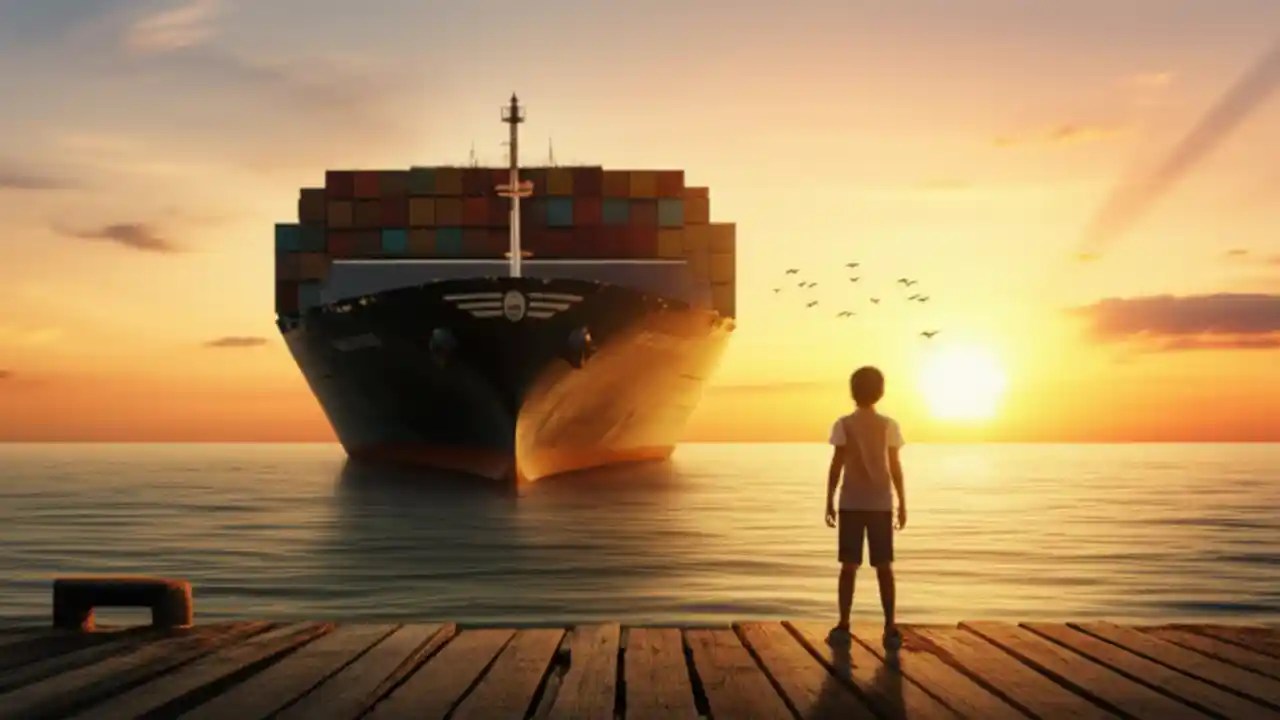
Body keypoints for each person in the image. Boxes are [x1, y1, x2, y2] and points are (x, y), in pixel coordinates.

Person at [824, 366, 906, 649]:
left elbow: (836, 465)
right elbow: (895, 467)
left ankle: (844, 624)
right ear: (880, 392)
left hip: (851, 503)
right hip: (881, 504)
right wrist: (902, 502)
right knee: (884, 568)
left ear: (853, 391)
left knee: (848, 567)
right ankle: (890, 627)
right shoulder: (889, 425)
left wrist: (829, 500)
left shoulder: (843, 424)